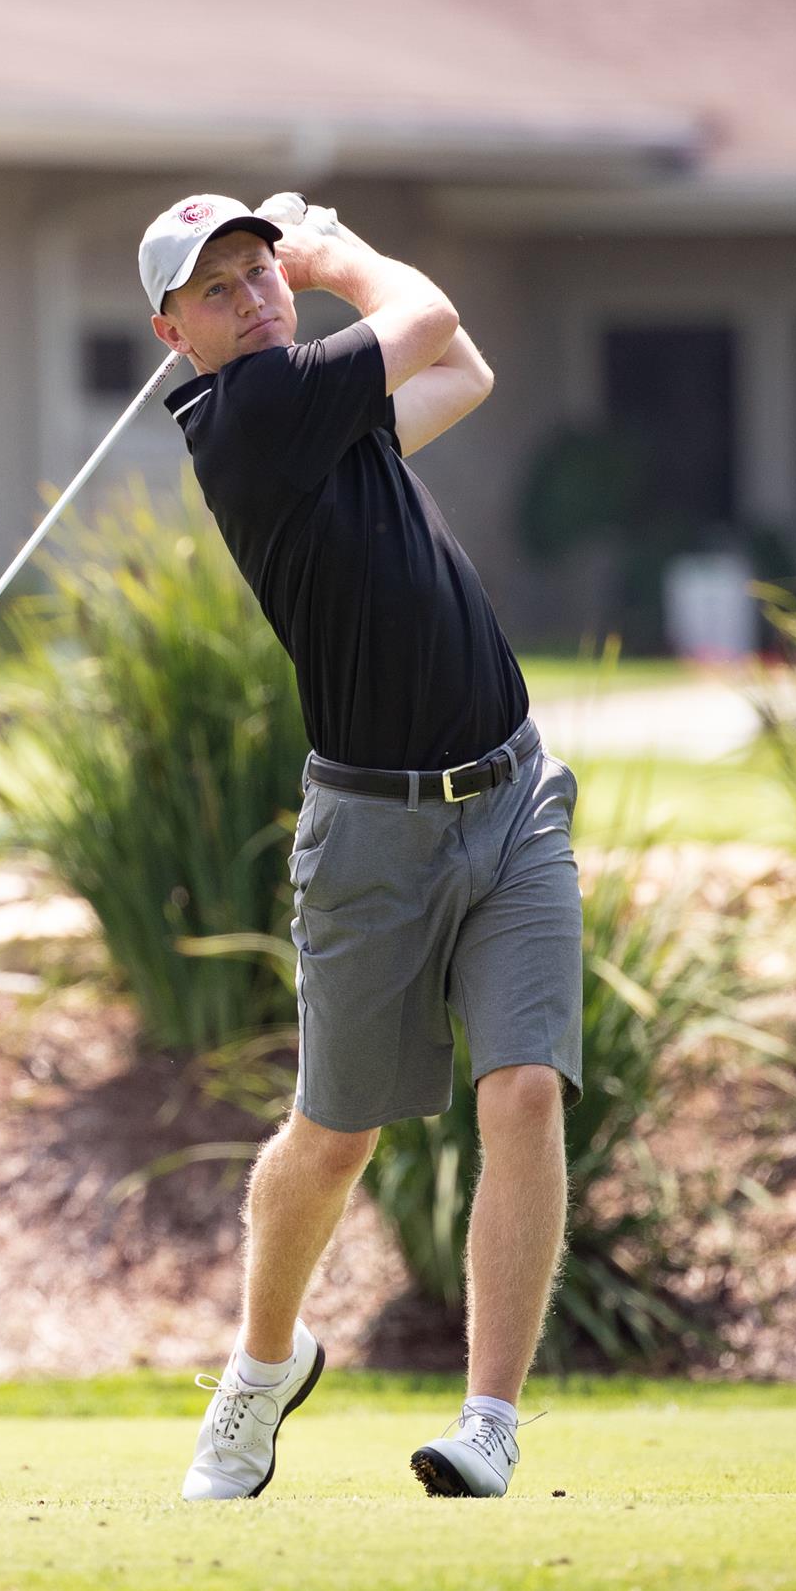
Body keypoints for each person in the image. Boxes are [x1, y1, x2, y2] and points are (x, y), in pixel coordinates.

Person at [143, 192, 583, 1502]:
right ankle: (260, 1366)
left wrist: (323, 279)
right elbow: (431, 316)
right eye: (218, 291)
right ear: (175, 333)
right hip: (371, 834)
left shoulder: (324, 415)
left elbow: (466, 372)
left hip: (512, 793)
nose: (256, 296)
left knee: (526, 1090)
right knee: (332, 1139)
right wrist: (334, 255)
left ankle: (488, 1423)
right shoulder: (255, 419)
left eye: (261, 270)